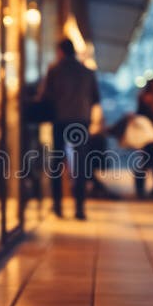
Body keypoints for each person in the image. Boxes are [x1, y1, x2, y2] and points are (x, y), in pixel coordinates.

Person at [40, 38, 101, 220]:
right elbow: (95, 98)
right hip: (81, 120)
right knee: (81, 163)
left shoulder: (55, 70)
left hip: (60, 119)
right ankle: (80, 208)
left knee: (58, 161)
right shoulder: (87, 72)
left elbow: (45, 96)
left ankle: (58, 206)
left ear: (60, 51)